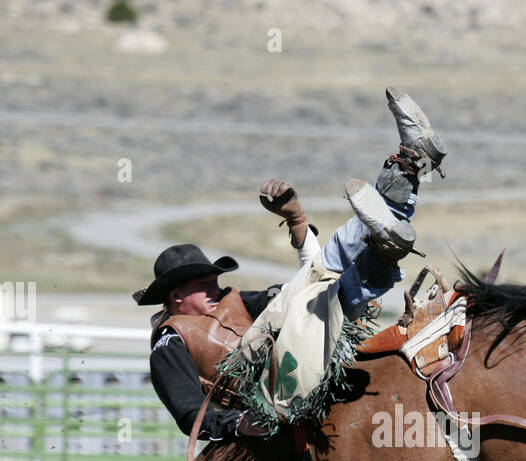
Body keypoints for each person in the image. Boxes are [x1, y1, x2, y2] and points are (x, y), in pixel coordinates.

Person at [137, 88, 446, 442]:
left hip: (301, 355)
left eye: (213, 279)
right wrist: (238, 424)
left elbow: (301, 286)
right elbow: (189, 413)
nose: (214, 287)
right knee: (325, 280)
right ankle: (401, 194)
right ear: (176, 296)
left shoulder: (237, 303)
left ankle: (401, 194)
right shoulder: (170, 343)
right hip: (273, 399)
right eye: (203, 283)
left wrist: (298, 220)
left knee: (322, 283)